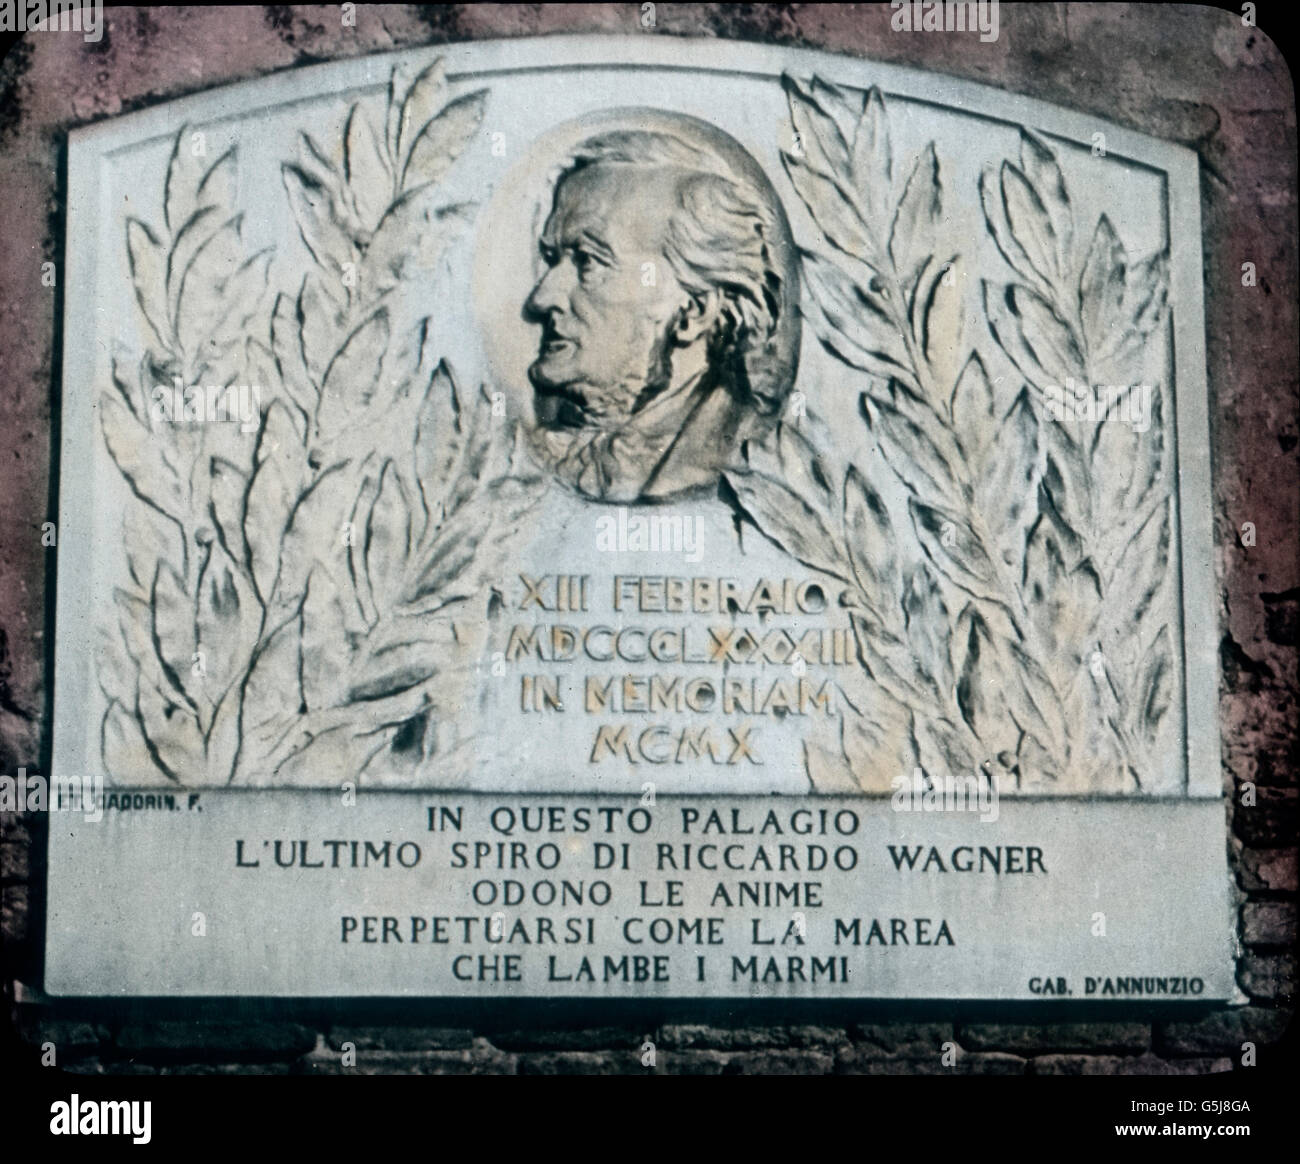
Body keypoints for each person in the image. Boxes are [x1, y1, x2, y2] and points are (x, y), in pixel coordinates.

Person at [523, 129, 793, 503]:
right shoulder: (542, 446)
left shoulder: (744, 448)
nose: (541, 299)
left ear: (694, 312)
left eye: (588, 260)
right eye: (554, 260)